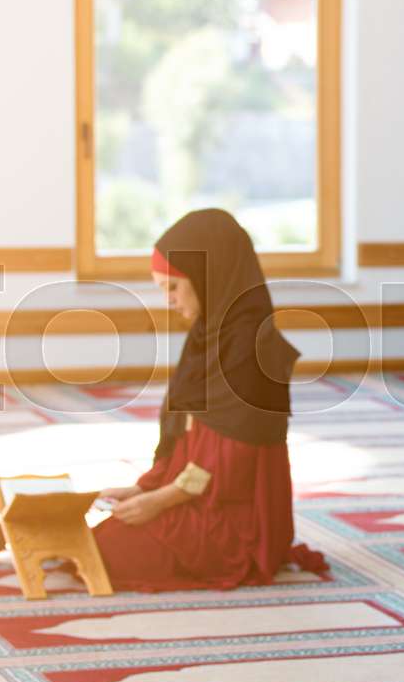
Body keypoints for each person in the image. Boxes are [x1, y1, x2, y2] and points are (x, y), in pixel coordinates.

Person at [91, 208, 326, 590]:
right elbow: (189, 438)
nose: (168, 300)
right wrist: (145, 488)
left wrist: (159, 501)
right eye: (162, 289)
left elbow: (229, 463)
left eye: (173, 287)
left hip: (237, 521)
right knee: (96, 542)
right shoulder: (209, 335)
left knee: (103, 553)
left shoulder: (249, 350)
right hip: (195, 497)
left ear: (207, 276)